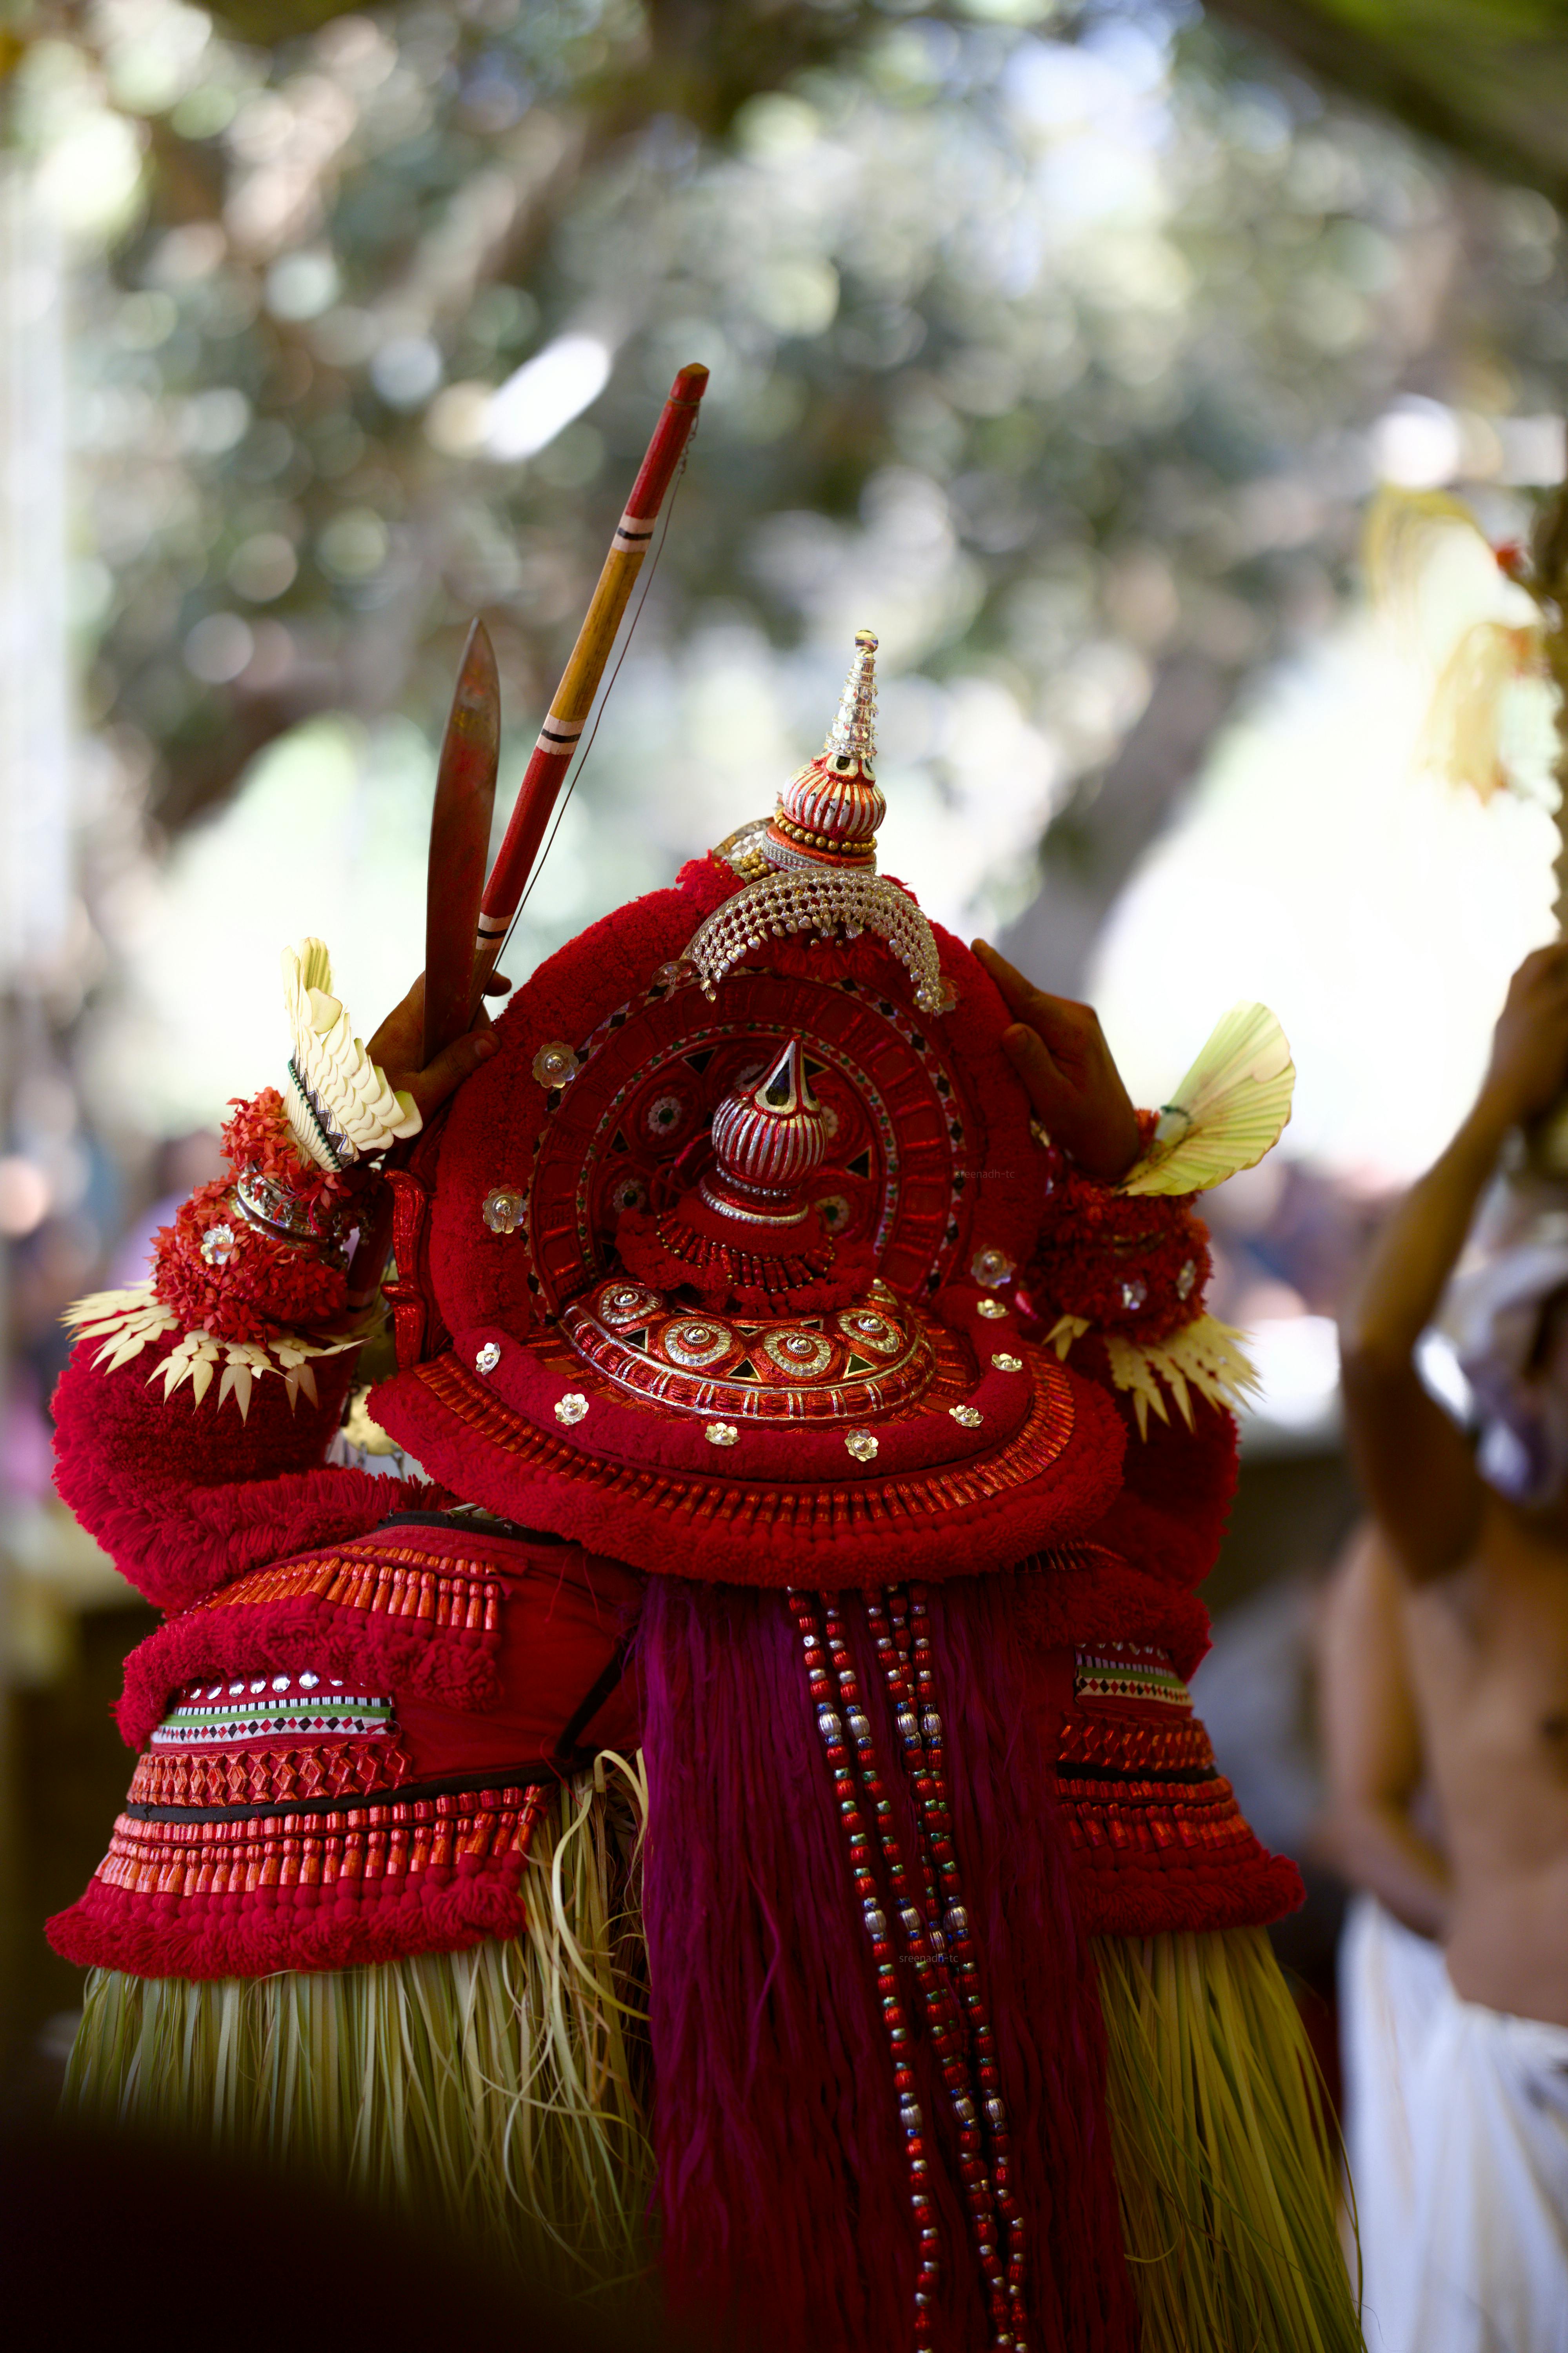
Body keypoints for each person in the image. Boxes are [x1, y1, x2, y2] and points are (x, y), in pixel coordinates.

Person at [47, 632, 1357, 2353]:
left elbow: (148, 1472)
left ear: (540, 1221)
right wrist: (1123, 1201)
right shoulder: (1086, 1654)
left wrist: (318, 1154)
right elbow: (1168, 1510)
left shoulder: (376, 1653)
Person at [1340, 941, 1568, 2353]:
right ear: (1526, 1375)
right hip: (1522, 2102)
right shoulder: (1464, 1556)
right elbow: (1376, 1355)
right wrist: (1503, 1102)